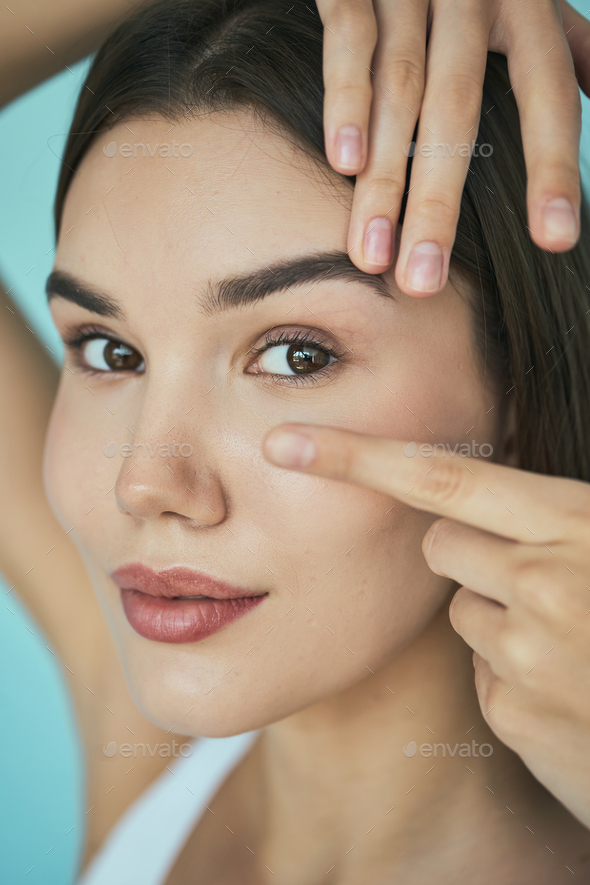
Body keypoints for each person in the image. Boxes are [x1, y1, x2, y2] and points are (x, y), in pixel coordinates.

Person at [2, 0, 590, 882]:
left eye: (294, 354)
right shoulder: (152, 752)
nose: (148, 484)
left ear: (516, 385)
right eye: (110, 350)